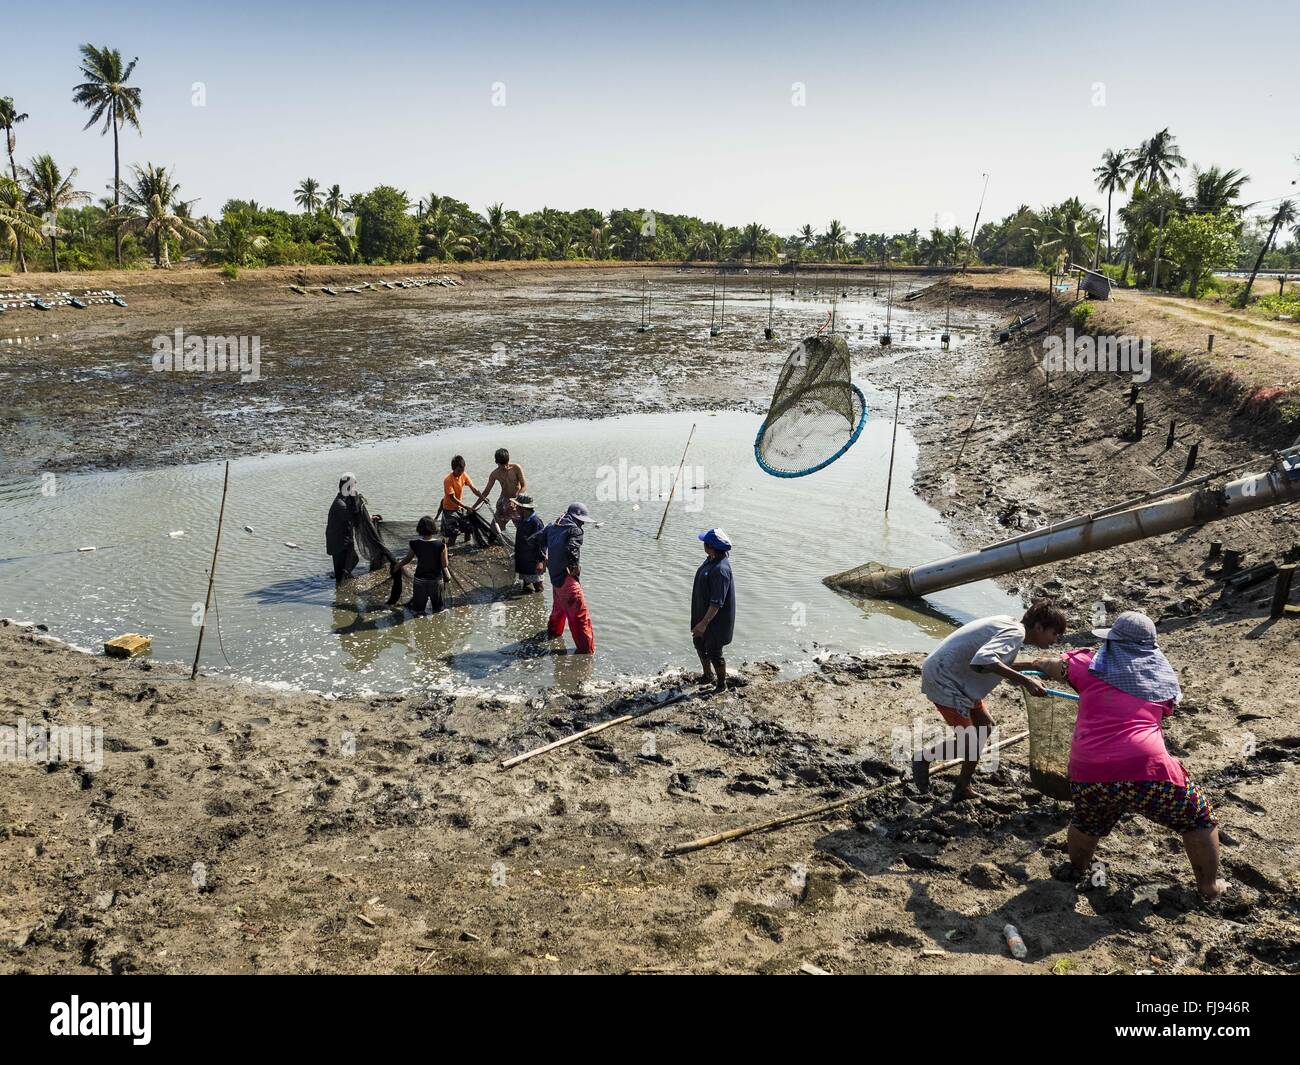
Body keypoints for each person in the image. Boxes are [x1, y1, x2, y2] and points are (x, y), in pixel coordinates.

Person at [1032, 610, 1225, 901]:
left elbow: (1049, 665)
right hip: (1147, 770)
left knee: (1087, 821)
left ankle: (1076, 869)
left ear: (1112, 641)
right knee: (1197, 818)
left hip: (1090, 771)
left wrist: (1015, 663)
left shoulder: (1086, 666)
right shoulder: (1160, 681)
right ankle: (1209, 887)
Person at [913, 602, 1067, 800]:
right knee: (968, 742)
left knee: (984, 726)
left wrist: (1031, 665)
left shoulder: (1011, 626)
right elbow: (984, 660)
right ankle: (923, 757)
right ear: (1039, 627)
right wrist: (1026, 680)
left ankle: (963, 786)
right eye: (1054, 633)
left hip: (960, 677)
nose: (1055, 640)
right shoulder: (1016, 633)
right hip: (945, 679)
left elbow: (989, 663)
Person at [533, 502, 594, 654]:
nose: (582, 524)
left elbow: (536, 540)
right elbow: (572, 548)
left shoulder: (552, 526)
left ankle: (553, 634)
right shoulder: (575, 530)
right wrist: (574, 567)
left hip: (555, 577)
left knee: (558, 611)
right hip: (568, 580)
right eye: (581, 521)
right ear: (577, 519)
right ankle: (586, 653)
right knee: (580, 618)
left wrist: (541, 558)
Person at [691, 528, 736, 693]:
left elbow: (717, 602)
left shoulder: (720, 570)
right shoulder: (711, 560)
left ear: (710, 546)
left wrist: (703, 624)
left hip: (716, 621)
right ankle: (707, 675)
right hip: (703, 616)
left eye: (705, 543)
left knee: (714, 651)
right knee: (699, 642)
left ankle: (721, 684)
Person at [390, 515, 451, 614]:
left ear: (419, 529)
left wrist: (397, 565)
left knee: (418, 610)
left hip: (419, 580)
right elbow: (445, 564)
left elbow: (408, 559)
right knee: (438, 610)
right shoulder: (441, 545)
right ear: (434, 528)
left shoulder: (414, 543)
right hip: (436, 580)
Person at [440, 454, 488, 547]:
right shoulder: (448, 480)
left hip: (459, 508)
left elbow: (473, 488)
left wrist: (483, 498)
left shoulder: (464, 475)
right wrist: (466, 507)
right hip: (449, 510)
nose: (461, 473)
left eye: (463, 470)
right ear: (453, 469)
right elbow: (452, 498)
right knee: (453, 535)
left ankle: (466, 547)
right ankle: (443, 549)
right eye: (459, 471)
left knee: (468, 529)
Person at [483, 448, 527, 535]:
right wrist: (474, 506)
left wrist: (515, 500)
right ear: (496, 462)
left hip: (517, 501)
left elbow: (524, 486)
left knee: (524, 531)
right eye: (501, 465)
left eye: (506, 464)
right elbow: (486, 491)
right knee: (493, 530)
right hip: (504, 502)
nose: (504, 467)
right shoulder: (494, 474)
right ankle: (497, 545)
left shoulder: (516, 468)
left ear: (508, 460)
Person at [326, 473, 360, 582]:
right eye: (353, 486)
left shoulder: (344, 501)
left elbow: (354, 515)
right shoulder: (340, 504)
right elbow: (353, 517)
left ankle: (343, 586)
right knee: (342, 571)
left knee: (352, 561)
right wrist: (355, 498)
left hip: (342, 542)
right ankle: (340, 589)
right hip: (338, 544)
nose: (355, 488)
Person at [510, 494, 546, 594]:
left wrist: (540, 561)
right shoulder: (522, 519)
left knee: (538, 586)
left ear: (523, 508)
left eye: (517, 506)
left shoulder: (536, 522)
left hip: (533, 560)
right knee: (526, 582)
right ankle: (528, 598)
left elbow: (542, 543)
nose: (515, 508)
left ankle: (539, 603)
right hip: (523, 557)